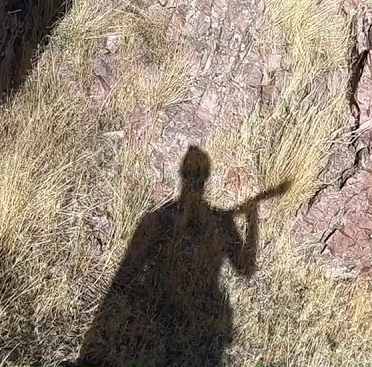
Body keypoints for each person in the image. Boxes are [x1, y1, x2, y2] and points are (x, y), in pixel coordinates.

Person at [75, 146, 285, 367]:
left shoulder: (158, 218)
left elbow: (128, 274)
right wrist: (252, 219)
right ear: (206, 179)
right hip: (193, 331)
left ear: (182, 174)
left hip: (156, 324)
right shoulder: (220, 223)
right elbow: (246, 268)